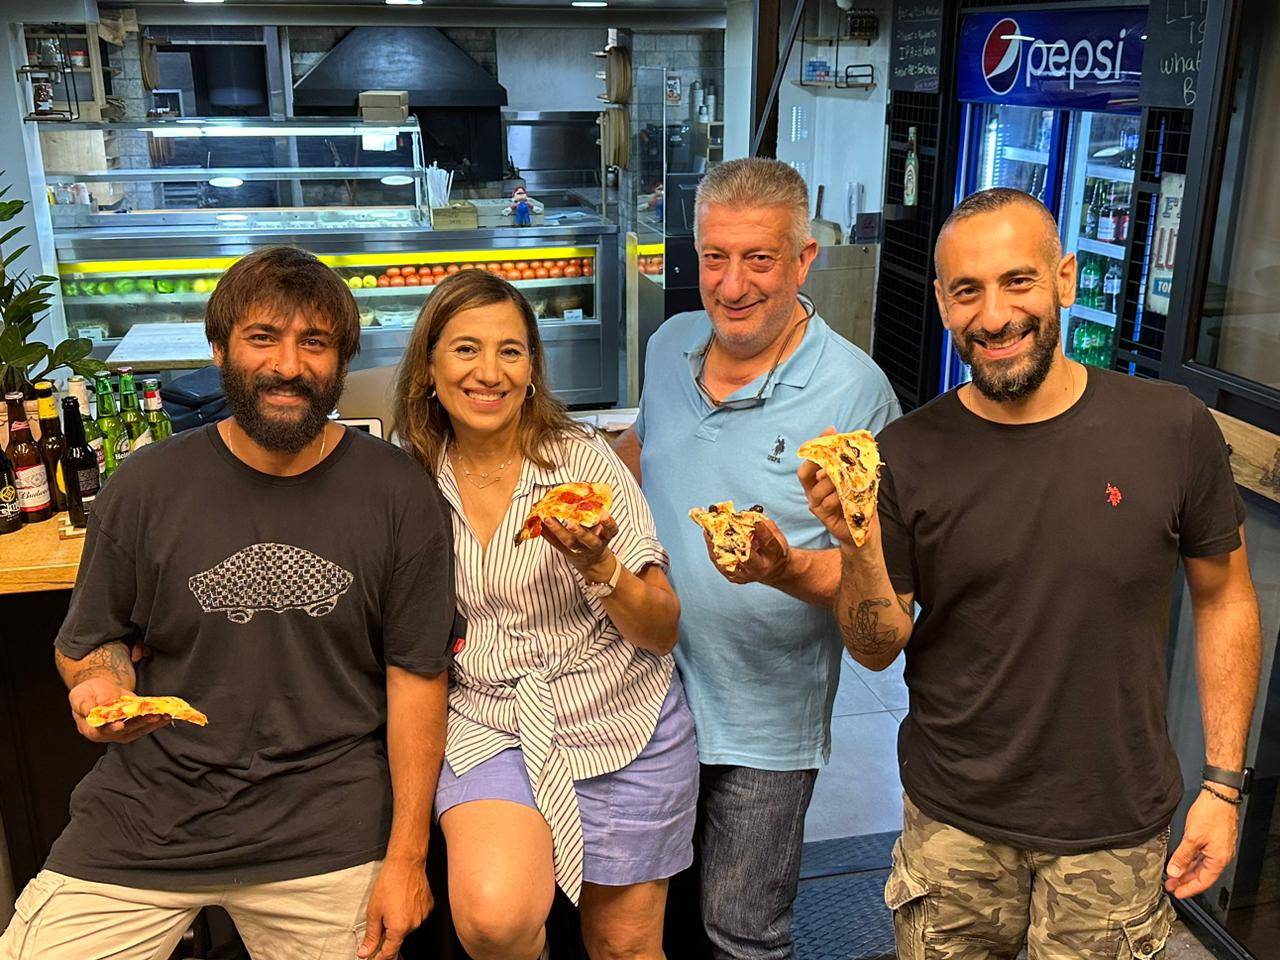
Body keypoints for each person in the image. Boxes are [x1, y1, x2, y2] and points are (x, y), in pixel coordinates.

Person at [802, 187, 1262, 958]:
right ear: (943, 303)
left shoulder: (1170, 426)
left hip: (1112, 829)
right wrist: (854, 543)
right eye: (967, 292)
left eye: (1018, 281)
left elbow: (1226, 600)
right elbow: (877, 646)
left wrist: (1222, 785)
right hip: (952, 826)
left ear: (1067, 280)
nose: (994, 317)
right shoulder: (905, 454)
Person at [1, 246, 457, 960]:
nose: (288, 366)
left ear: (341, 362)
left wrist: (406, 859)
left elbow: (418, 680)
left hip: (328, 823)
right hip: (149, 815)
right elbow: (90, 641)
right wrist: (101, 688)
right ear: (219, 350)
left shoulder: (400, 494)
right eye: (262, 338)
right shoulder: (145, 487)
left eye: (315, 343)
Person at [615, 157, 900, 959]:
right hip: (643, 698)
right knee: (648, 919)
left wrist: (781, 568)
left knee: (740, 931)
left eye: (759, 259)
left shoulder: (857, 394)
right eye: (715, 257)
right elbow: (643, 451)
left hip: (762, 722)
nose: (732, 285)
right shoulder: (671, 343)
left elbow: (875, 583)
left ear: (804, 260)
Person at [393, 269, 696, 960]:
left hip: (622, 719)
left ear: (532, 367)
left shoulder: (582, 465)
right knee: (495, 920)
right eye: (466, 349)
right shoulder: (406, 480)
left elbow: (661, 628)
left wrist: (602, 569)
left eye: (511, 350)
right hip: (494, 720)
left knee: (623, 945)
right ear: (429, 367)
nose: (489, 372)